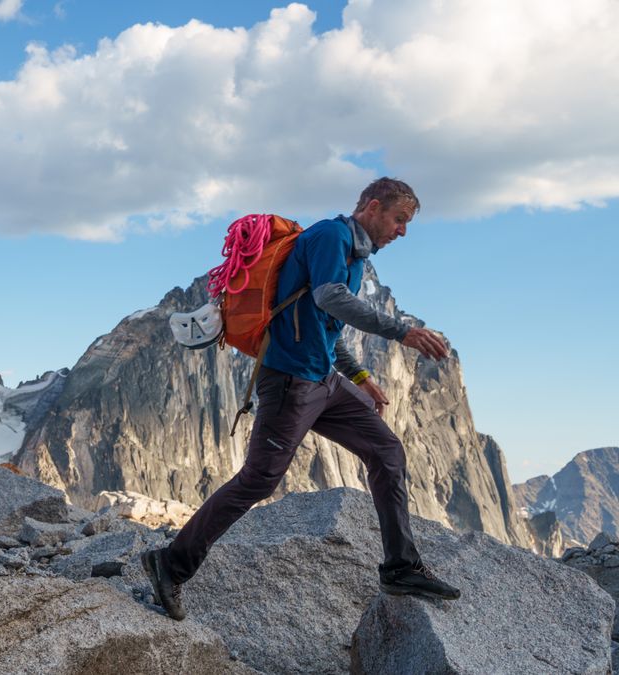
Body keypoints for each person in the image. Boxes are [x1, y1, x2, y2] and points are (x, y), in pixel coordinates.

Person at [141, 177, 460, 621]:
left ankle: (400, 567)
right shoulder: (332, 236)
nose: (402, 231)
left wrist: (360, 375)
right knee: (258, 480)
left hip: (323, 382)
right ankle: (170, 563)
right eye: (399, 219)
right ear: (372, 207)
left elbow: (321, 319)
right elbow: (332, 299)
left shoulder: (352, 252)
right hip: (290, 383)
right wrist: (402, 332)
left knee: (386, 452)